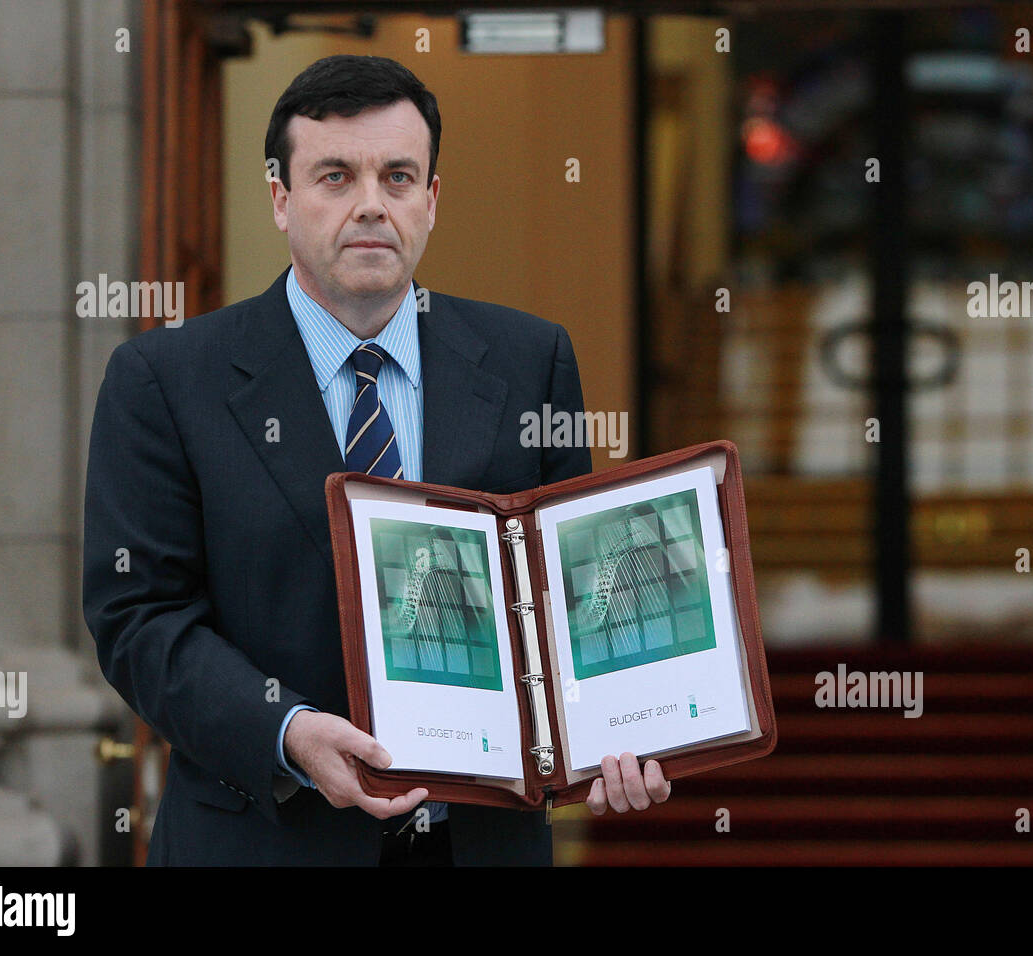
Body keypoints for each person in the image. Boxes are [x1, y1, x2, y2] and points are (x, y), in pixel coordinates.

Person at [82, 54, 669, 866]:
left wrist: (620, 728)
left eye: (398, 177)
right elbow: (138, 616)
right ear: (281, 199)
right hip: (263, 842)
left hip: (481, 847)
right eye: (335, 177)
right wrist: (285, 730)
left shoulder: (531, 358)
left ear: (431, 200)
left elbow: (574, 599)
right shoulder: (166, 380)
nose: (370, 206)